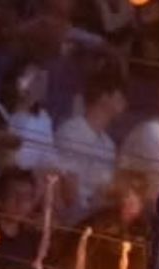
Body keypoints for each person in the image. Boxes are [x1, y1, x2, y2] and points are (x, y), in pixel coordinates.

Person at [54, 67, 129, 222]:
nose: (124, 102)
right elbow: (67, 186)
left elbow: (105, 189)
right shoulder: (71, 131)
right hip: (72, 219)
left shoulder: (108, 144)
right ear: (103, 97)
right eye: (119, 95)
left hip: (97, 218)